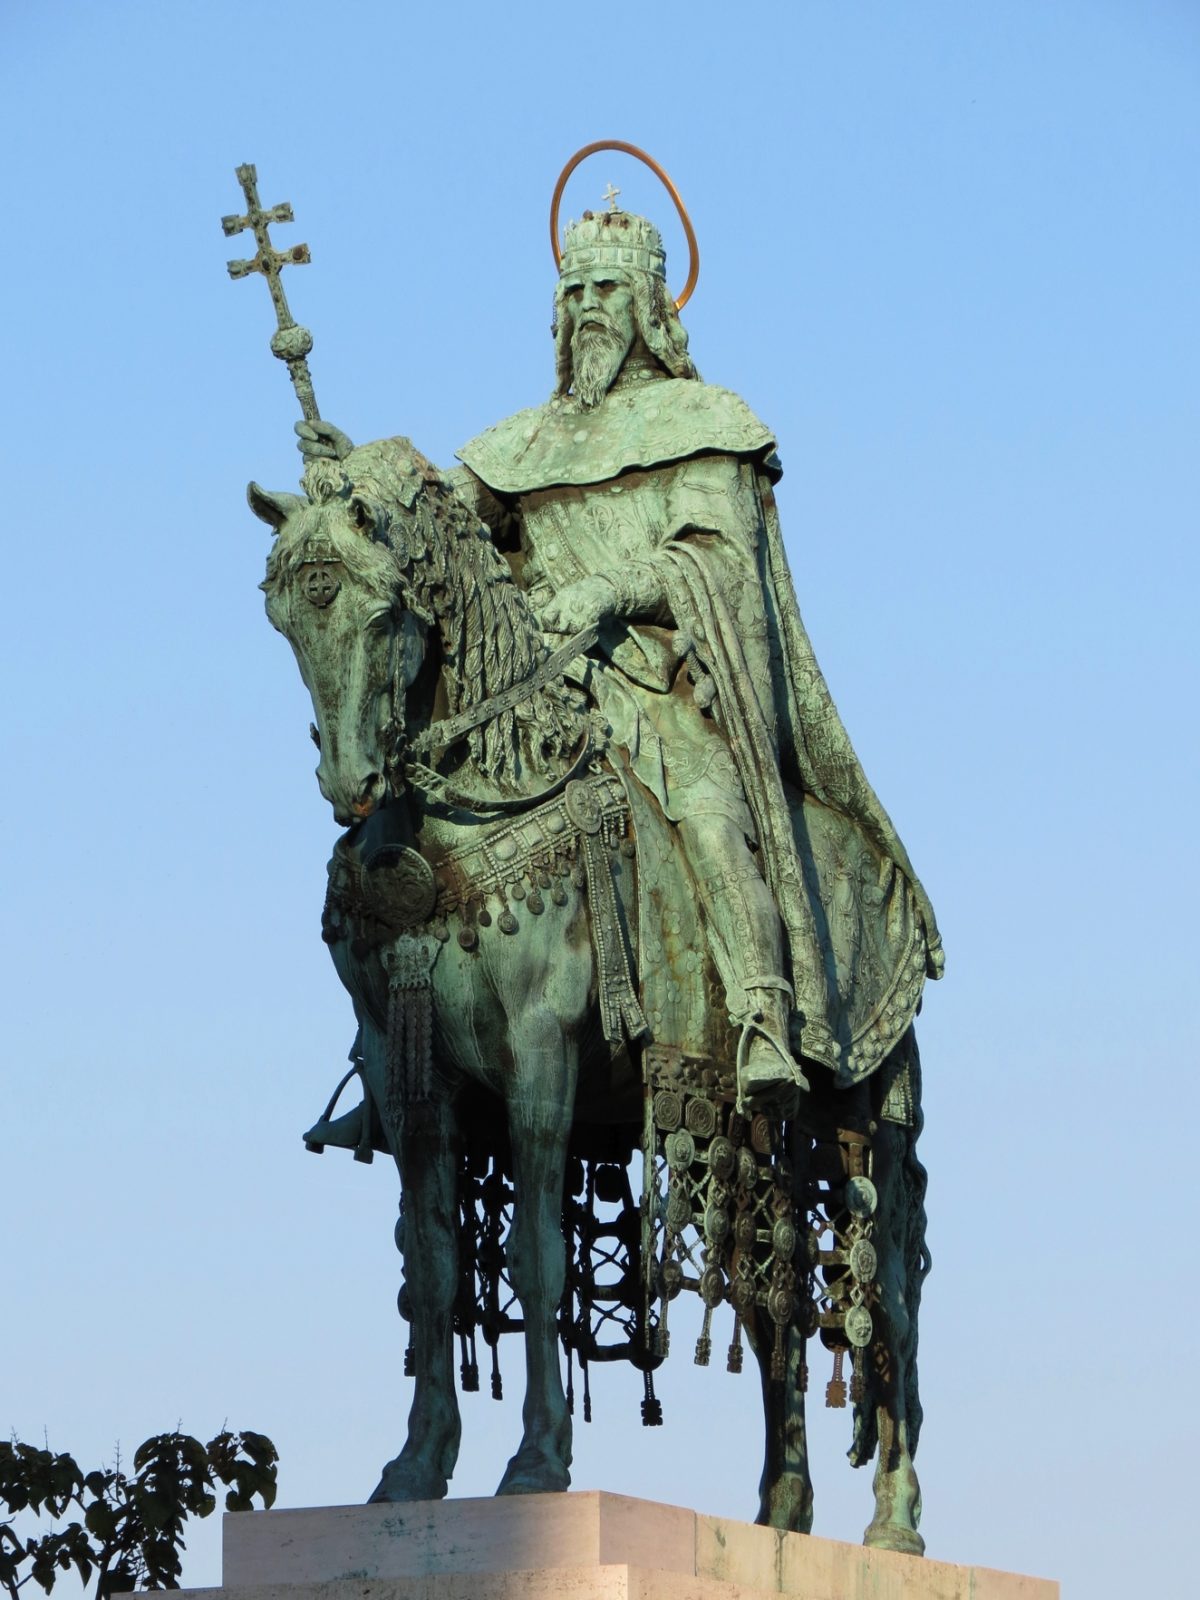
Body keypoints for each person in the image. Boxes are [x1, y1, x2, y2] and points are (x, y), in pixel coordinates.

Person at [298, 205, 942, 1107]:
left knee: (712, 815)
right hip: (528, 694)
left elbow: (717, 560)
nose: (586, 307)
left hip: (655, 688)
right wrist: (358, 474)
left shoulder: (705, 419)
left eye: (606, 288)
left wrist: (606, 591)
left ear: (650, 302)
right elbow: (435, 519)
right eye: (572, 292)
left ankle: (759, 1013)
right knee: (405, 809)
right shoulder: (522, 440)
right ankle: (398, 1056)